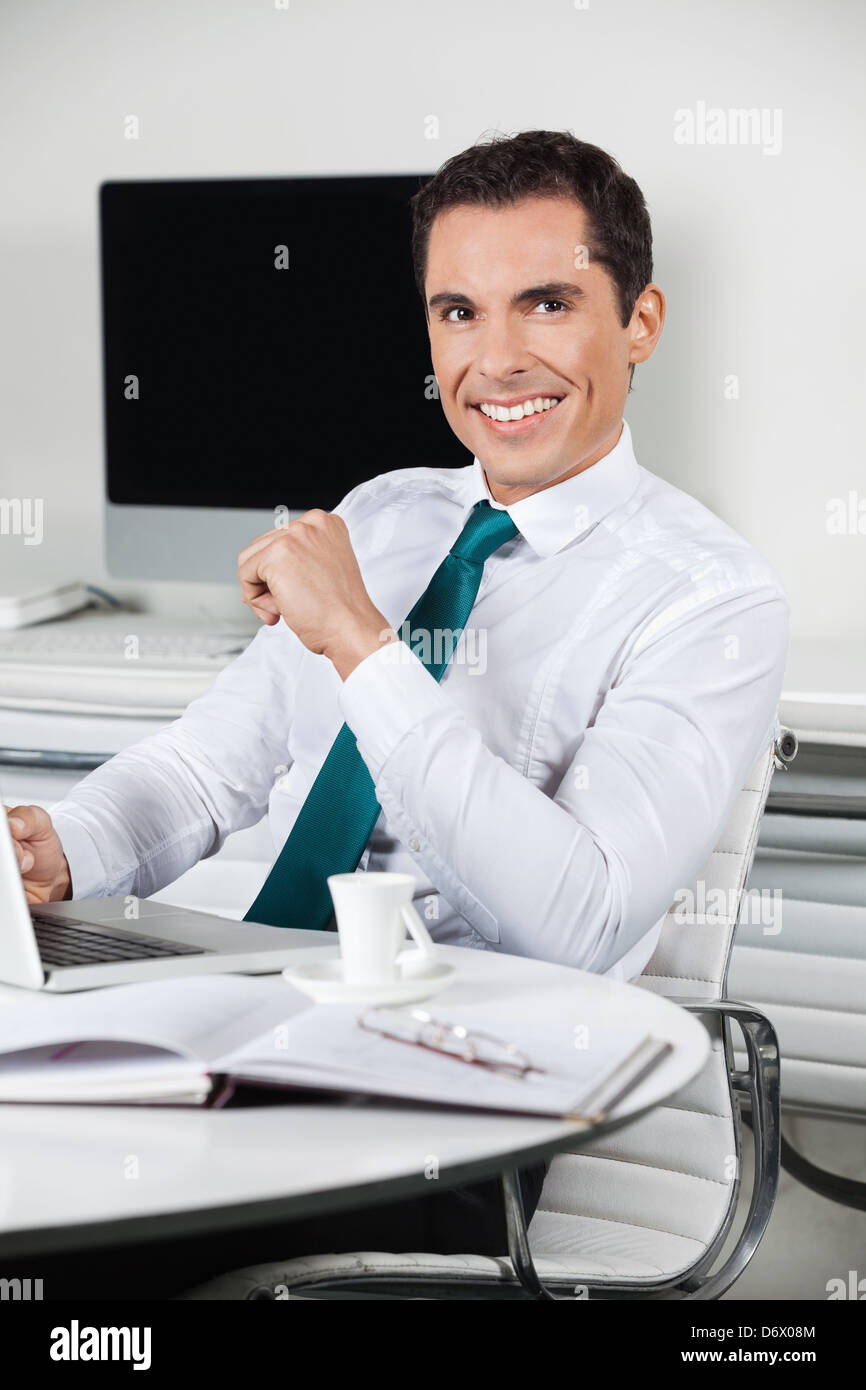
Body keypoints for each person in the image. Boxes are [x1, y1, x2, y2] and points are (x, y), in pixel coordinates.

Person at [5, 130, 790, 1299]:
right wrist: (66, 845)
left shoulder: (708, 597)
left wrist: (364, 646)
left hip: (459, 1093)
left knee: (79, 1270)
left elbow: (572, 918)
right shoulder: (382, 514)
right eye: (458, 313)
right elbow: (207, 771)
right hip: (253, 1029)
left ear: (639, 323)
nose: (497, 358)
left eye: (545, 303)